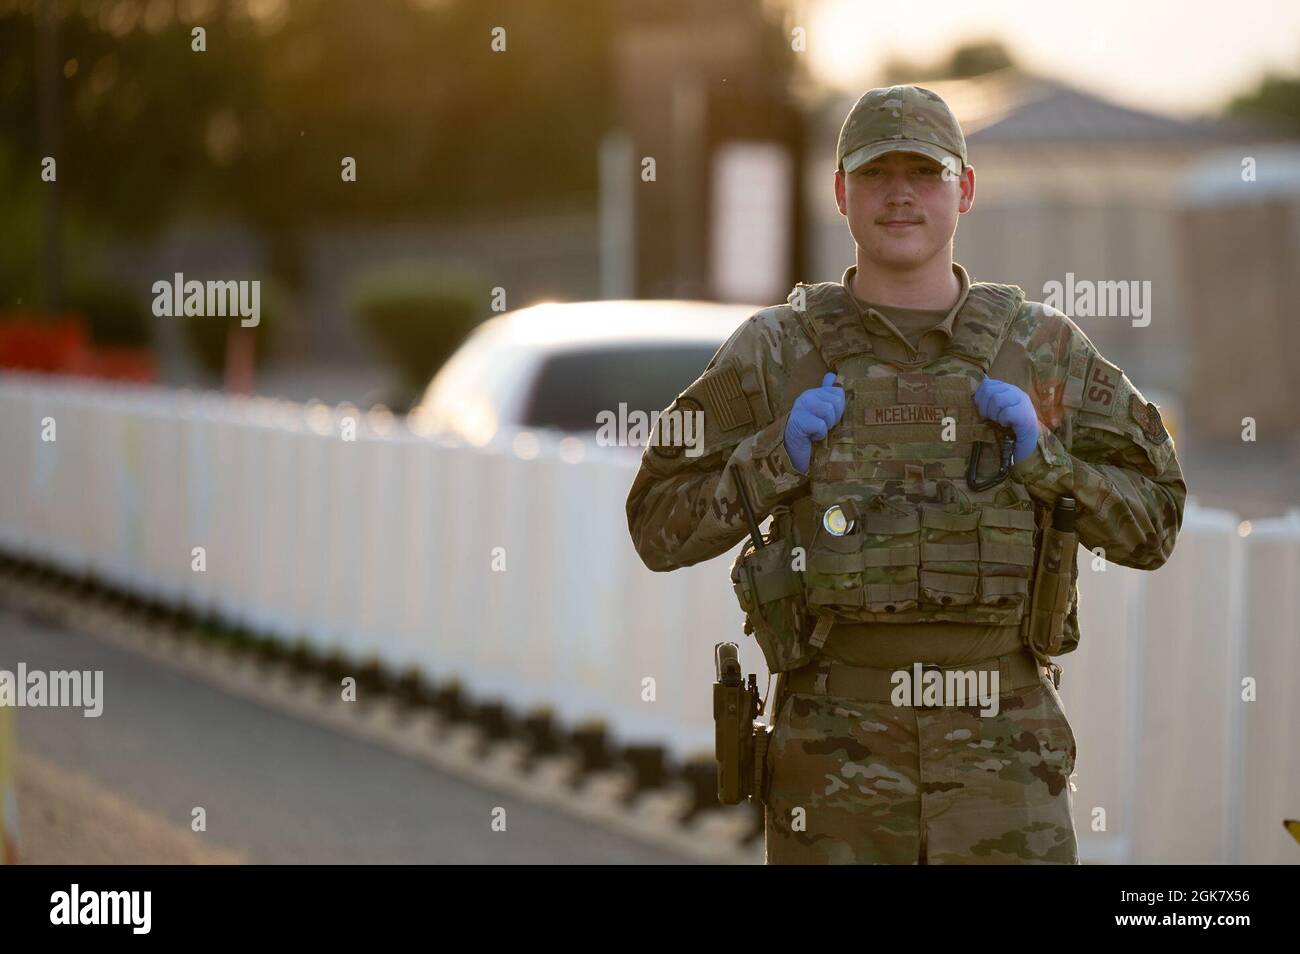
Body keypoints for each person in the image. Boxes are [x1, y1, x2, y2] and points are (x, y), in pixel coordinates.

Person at [624, 85, 1187, 864]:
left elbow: (1156, 523)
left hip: (1003, 762)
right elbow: (656, 524)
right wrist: (774, 458)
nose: (899, 194)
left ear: (965, 189)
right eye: (875, 173)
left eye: (924, 173)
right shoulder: (775, 354)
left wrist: (1047, 463)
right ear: (839, 192)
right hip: (834, 764)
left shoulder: (1042, 351)